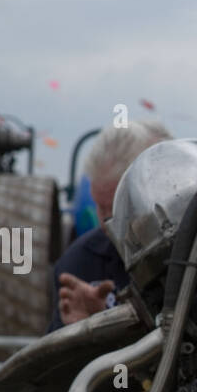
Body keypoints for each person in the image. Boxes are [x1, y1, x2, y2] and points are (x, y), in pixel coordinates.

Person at [48, 120, 171, 330]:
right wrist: (85, 332)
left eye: (115, 207)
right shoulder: (79, 264)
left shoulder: (194, 251)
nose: (106, 221)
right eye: (100, 206)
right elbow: (53, 359)